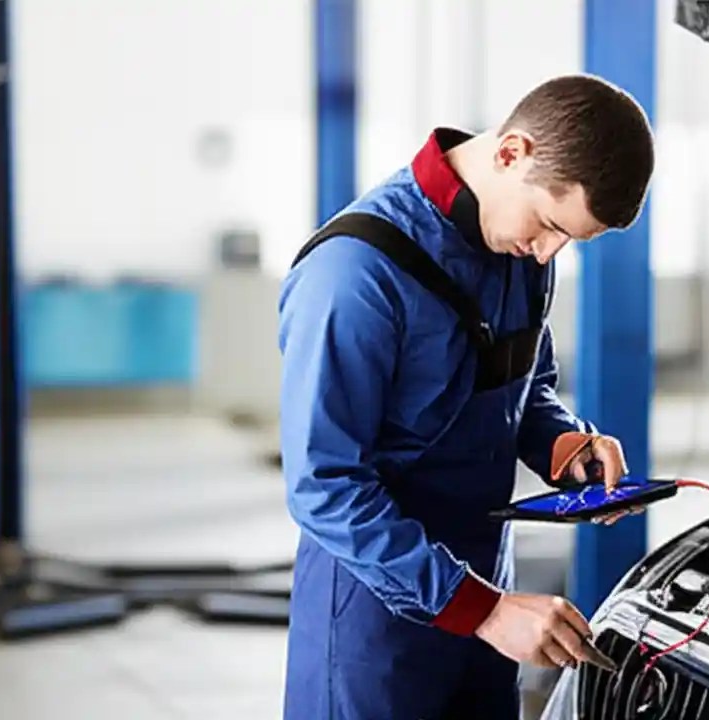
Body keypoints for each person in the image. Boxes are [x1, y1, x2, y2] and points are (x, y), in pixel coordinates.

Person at [278, 74, 655, 720]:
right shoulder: (354, 276)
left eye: (569, 240)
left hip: (487, 598)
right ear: (512, 152)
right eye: (548, 225)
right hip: (375, 618)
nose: (547, 252)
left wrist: (562, 441)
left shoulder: (521, 248)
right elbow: (324, 486)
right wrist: (480, 610)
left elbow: (524, 387)